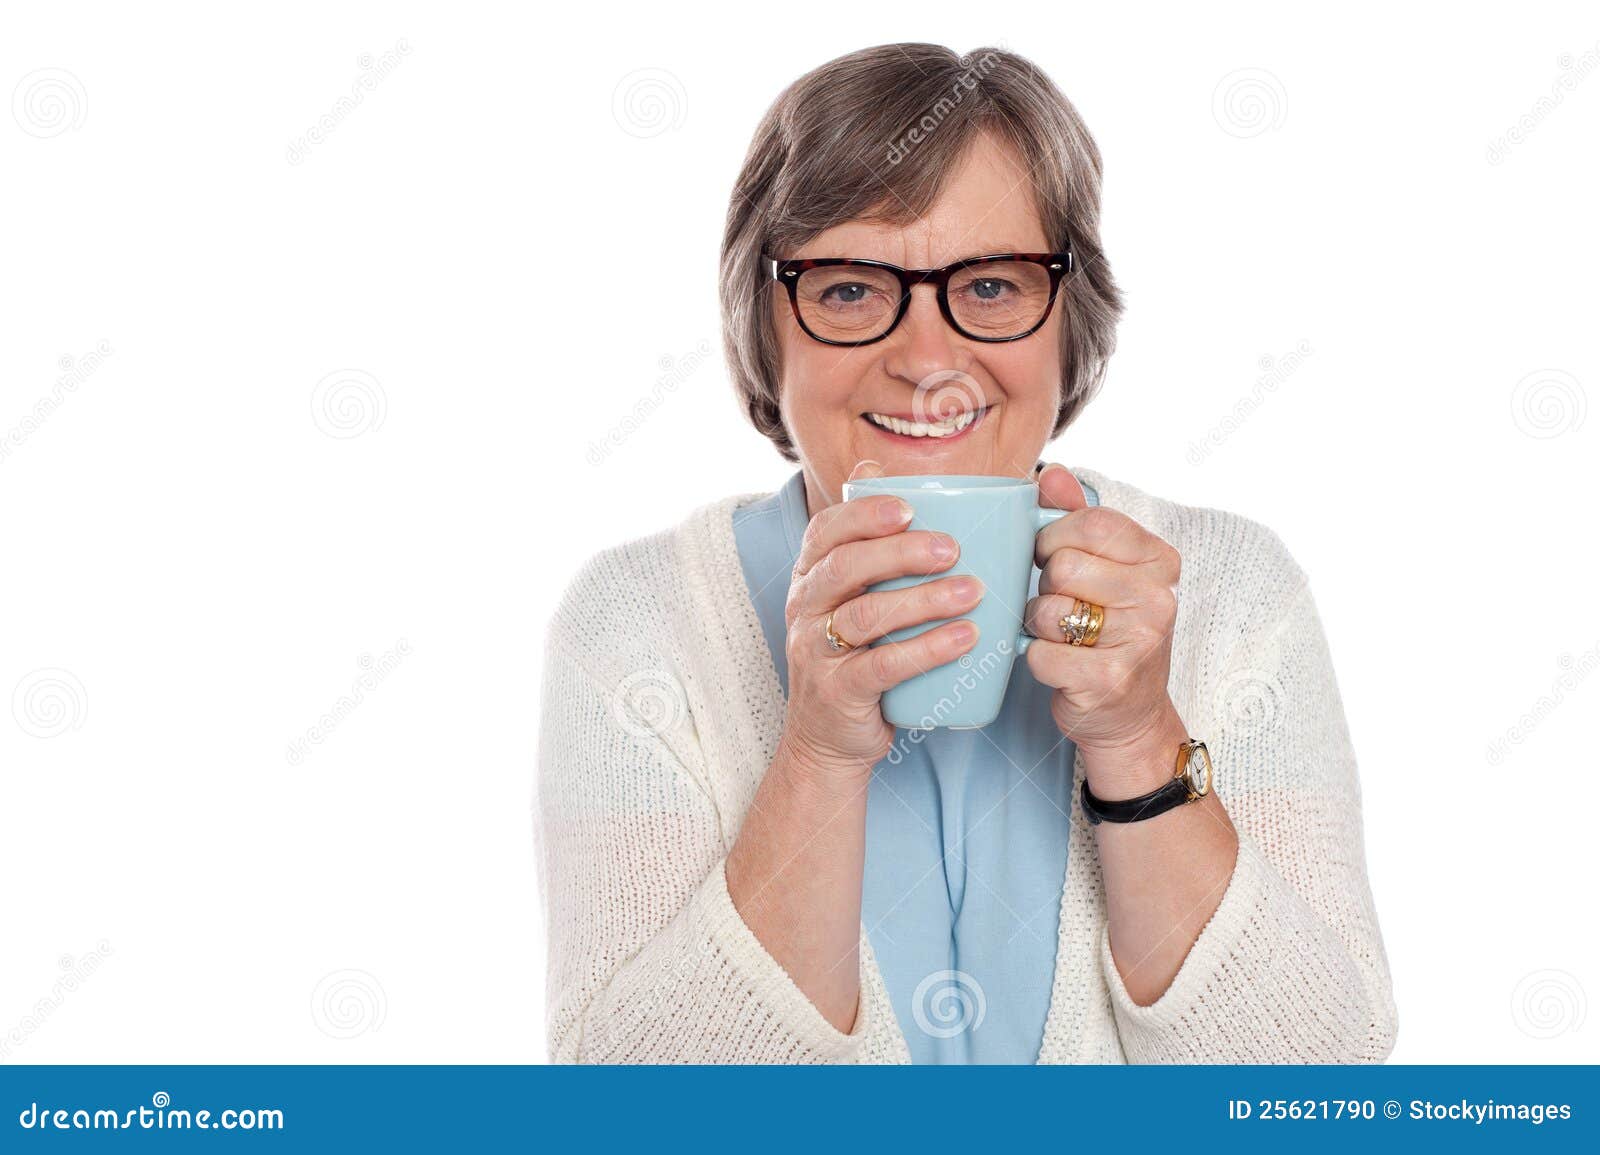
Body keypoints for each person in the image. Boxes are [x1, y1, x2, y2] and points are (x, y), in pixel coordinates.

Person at [535, 42, 1398, 1063]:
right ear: (765, 330)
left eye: (989, 285)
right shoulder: (637, 625)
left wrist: (1135, 739)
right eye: (850, 289)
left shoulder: (1232, 593)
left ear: (1065, 324)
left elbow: (1318, 1084)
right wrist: (815, 755)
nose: (927, 358)